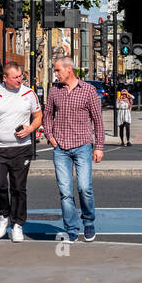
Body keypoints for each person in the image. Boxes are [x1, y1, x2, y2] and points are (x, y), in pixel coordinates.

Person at [0, 60, 42, 243]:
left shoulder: (29, 93)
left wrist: (30, 129)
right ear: (5, 78)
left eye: (21, 76)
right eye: (16, 77)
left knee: (19, 188)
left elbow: (38, 117)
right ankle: (3, 215)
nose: (20, 80)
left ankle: (18, 224)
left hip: (22, 149)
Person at [43, 56, 105, 243]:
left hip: (82, 145)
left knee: (84, 188)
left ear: (69, 70)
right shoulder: (54, 90)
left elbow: (98, 120)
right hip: (60, 147)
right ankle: (71, 228)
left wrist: (99, 147)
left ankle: (88, 223)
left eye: (57, 70)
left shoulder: (88, 90)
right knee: (65, 192)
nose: (55, 74)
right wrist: (50, 137)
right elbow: (47, 115)